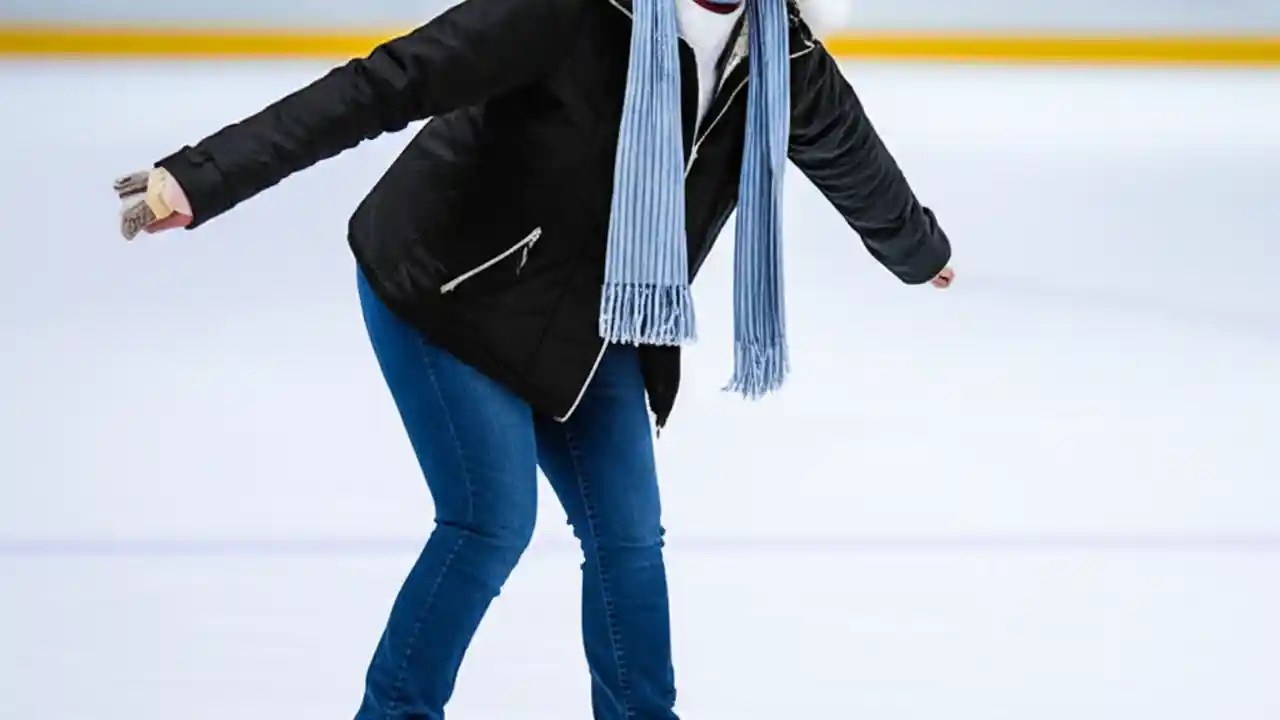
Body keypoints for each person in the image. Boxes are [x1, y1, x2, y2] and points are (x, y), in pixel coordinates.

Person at [114, 0, 954, 716]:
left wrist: (921, 253)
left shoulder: (783, 59)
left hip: (592, 324)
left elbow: (854, 162)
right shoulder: (571, 11)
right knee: (489, 520)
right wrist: (205, 176)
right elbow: (390, 81)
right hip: (446, 292)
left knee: (628, 540)